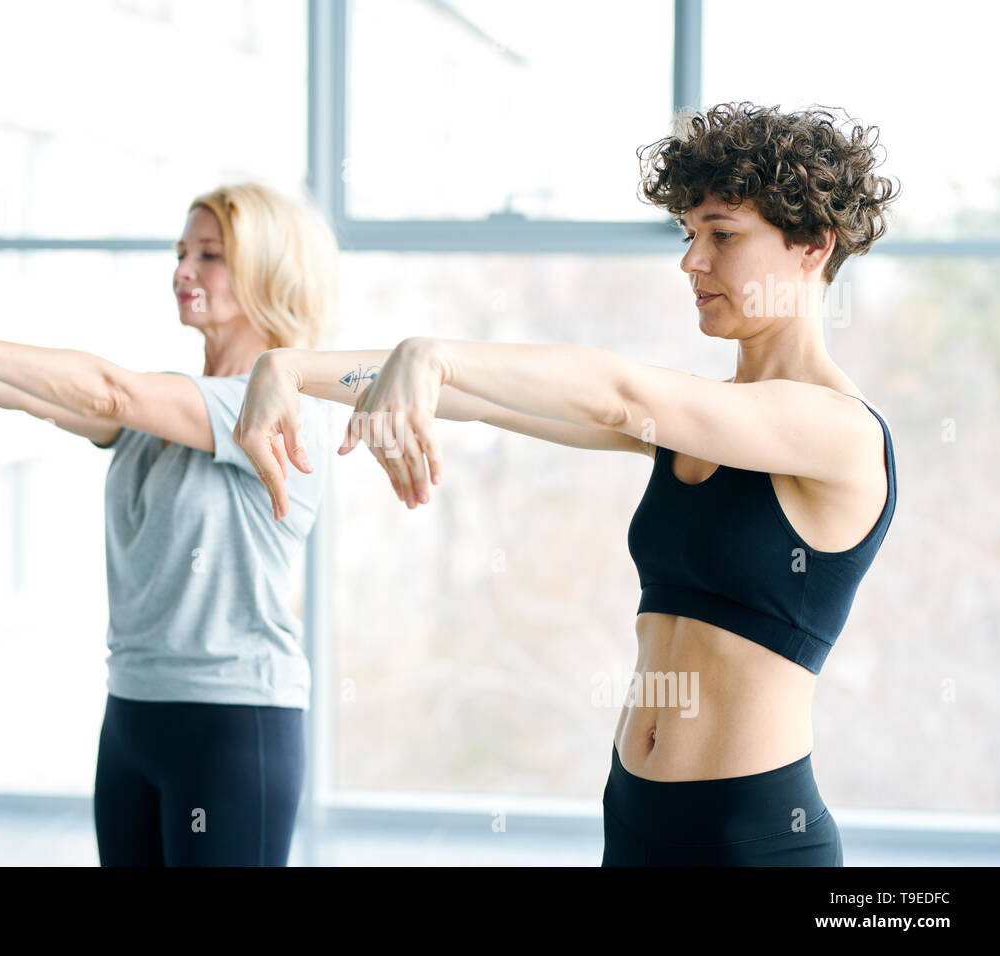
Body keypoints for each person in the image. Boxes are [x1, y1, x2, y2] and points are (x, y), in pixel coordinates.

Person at [232, 102, 901, 866]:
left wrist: (433, 352)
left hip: (754, 839)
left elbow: (618, 393)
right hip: (633, 816)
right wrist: (288, 368)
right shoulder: (701, 418)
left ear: (813, 245)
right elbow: (486, 400)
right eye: (689, 235)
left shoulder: (841, 433)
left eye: (722, 234)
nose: (692, 261)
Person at [0, 181, 341, 866]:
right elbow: (35, 394)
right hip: (131, 715)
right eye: (181, 253)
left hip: (233, 725)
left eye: (210, 256)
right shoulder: (163, 412)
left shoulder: (276, 413)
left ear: (270, 270)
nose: (181, 272)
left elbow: (111, 389)